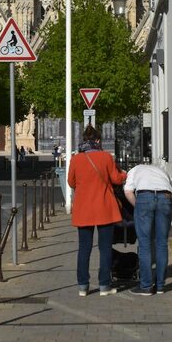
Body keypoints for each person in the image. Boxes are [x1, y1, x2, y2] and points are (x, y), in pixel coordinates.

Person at [67, 124, 127, 297]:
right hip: (104, 208)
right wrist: (124, 175)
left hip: (83, 209)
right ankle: (104, 285)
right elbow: (116, 179)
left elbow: (71, 182)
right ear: (98, 140)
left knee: (84, 248)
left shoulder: (76, 159)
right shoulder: (106, 157)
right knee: (105, 248)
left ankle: (83, 286)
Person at [123, 160, 172, 295]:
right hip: (165, 197)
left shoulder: (134, 170)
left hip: (144, 197)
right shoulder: (163, 172)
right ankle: (160, 286)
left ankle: (146, 286)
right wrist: (170, 216)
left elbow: (128, 191)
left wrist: (137, 206)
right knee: (162, 243)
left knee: (144, 244)